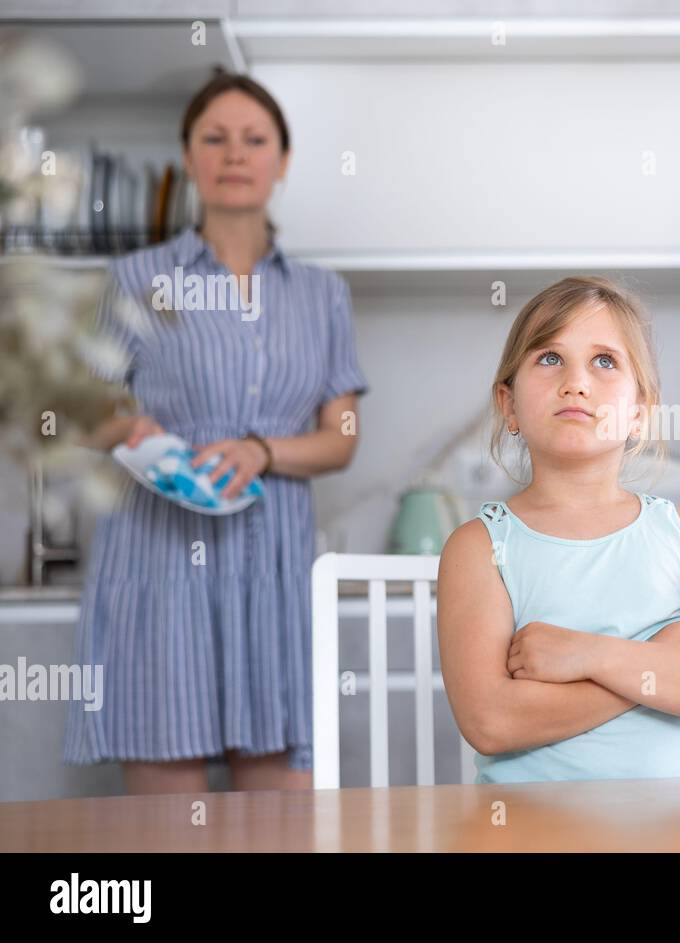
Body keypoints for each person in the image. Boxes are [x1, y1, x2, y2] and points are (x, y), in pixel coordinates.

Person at [64, 71, 369, 793]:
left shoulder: (323, 294)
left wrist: (264, 449)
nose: (236, 154)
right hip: (162, 561)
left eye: (255, 139)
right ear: (189, 156)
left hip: (273, 568)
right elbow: (73, 411)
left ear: (282, 161)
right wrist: (124, 424)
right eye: (215, 138)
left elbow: (343, 435)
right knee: (168, 833)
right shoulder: (134, 279)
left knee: (283, 829)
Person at [437, 276, 680, 783]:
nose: (576, 382)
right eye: (549, 358)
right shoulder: (479, 547)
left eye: (605, 361)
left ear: (640, 413)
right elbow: (491, 721)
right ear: (508, 406)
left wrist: (589, 655)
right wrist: (662, 661)